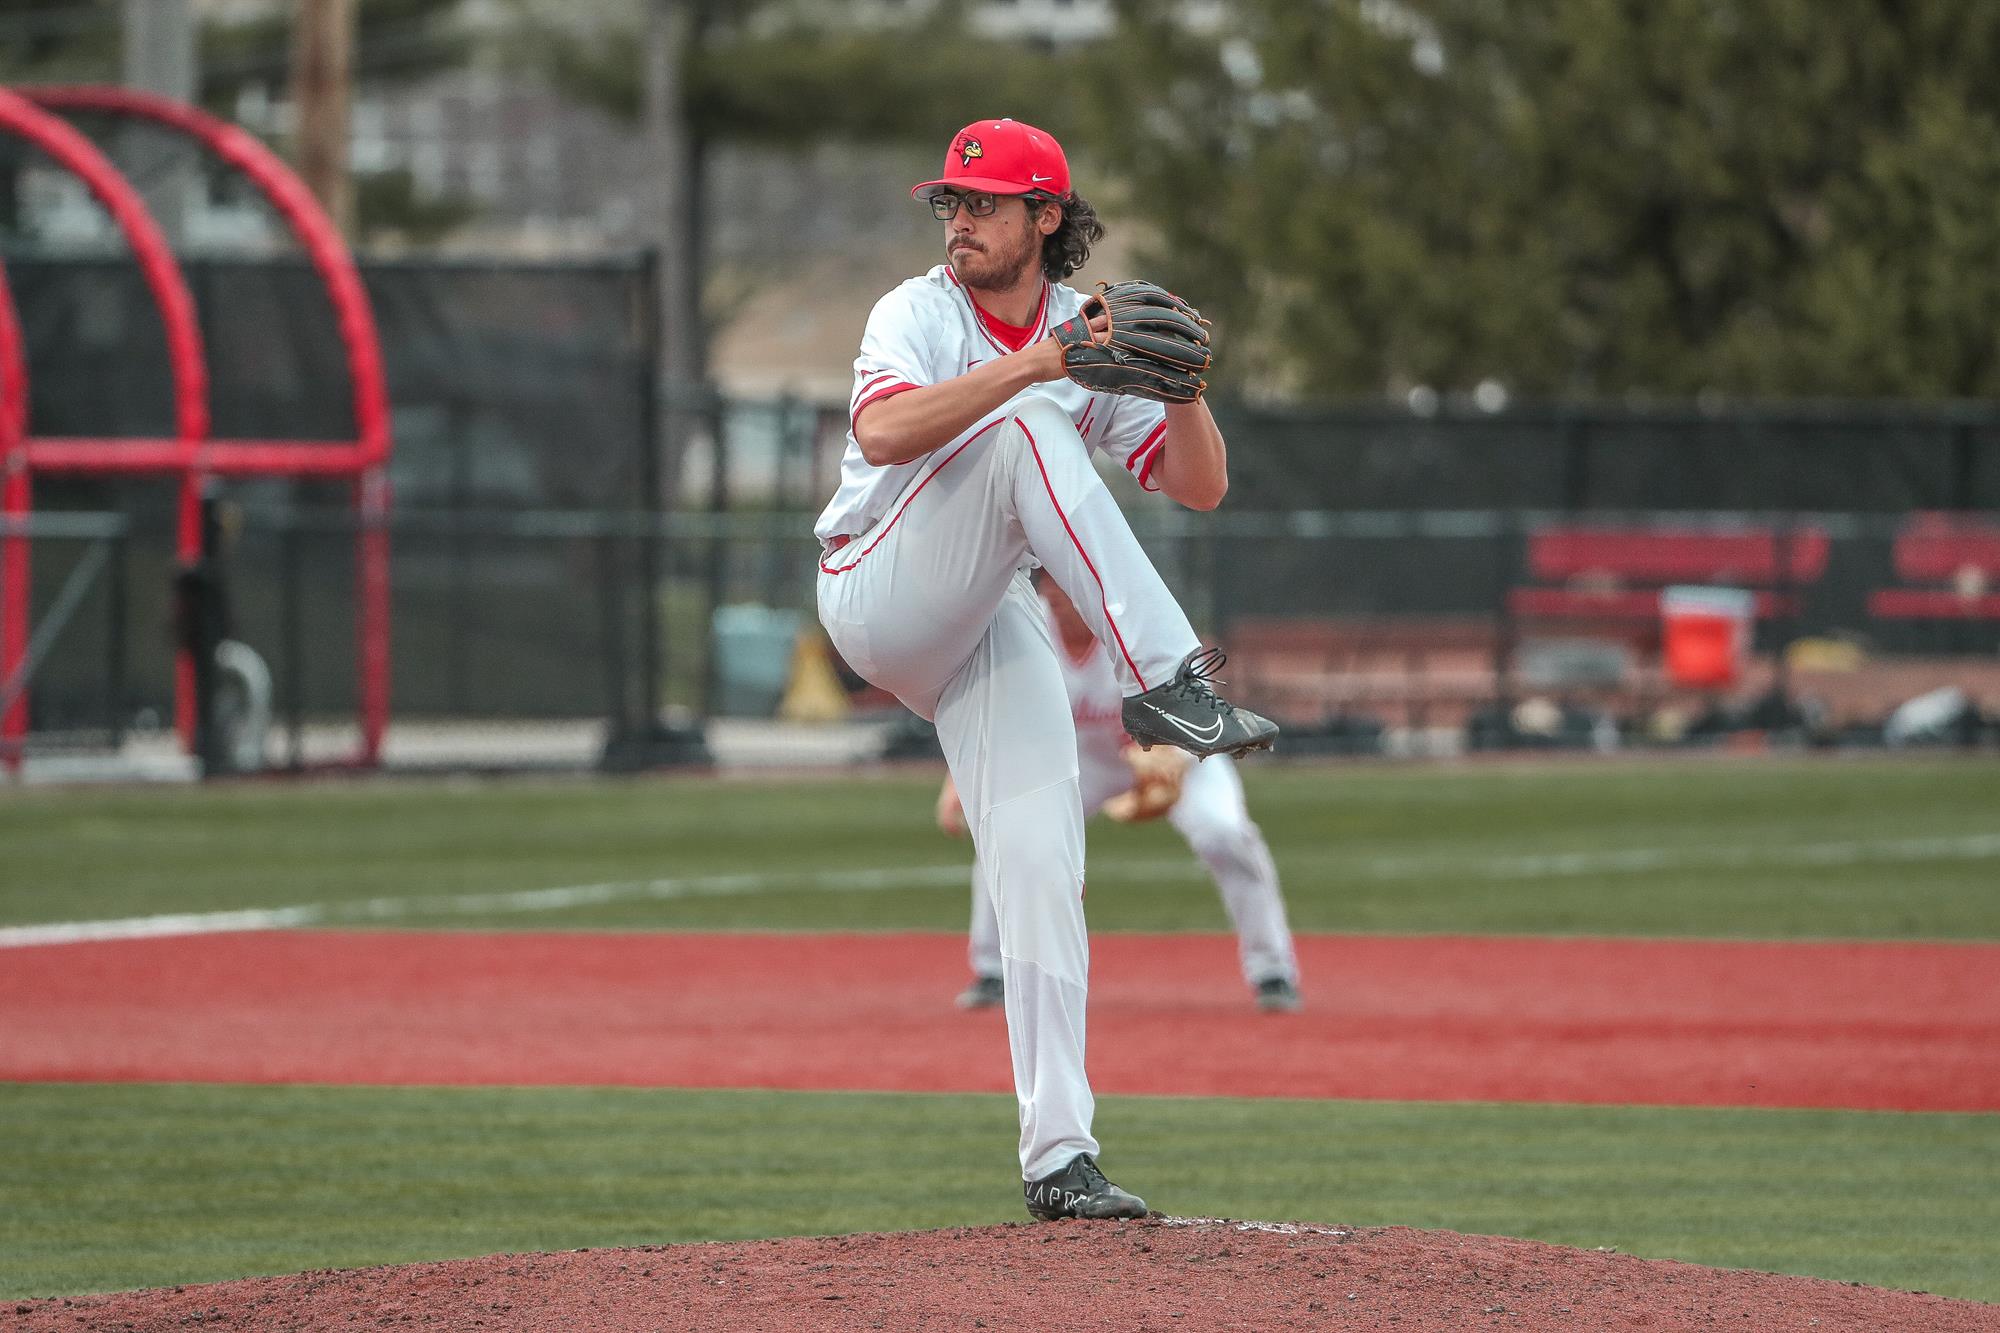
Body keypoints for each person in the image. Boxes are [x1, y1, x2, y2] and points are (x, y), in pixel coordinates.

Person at [812, 117, 1278, 1222]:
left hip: (988, 613)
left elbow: (1200, 487)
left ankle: (1058, 1156)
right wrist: (1042, 365)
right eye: (951, 201)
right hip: (879, 585)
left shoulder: (1081, 332)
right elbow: (884, 437)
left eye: (983, 202)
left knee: (1037, 861)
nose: (959, 219)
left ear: (1046, 217)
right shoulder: (916, 309)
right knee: (1027, 421)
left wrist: (1180, 385)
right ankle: (1171, 678)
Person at [937, 576, 1302, 1015]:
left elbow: (1196, 703)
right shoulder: (1027, 629)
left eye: (1066, 582)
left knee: (1225, 833)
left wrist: (1173, 761)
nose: (1061, 594)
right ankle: (993, 970)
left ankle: (1272, 970)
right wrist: (958, 779)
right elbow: (993, 709)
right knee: (1010, 836)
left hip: (1177, 756)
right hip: (1083, 763)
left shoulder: (1133, 622)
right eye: (1051, 584)